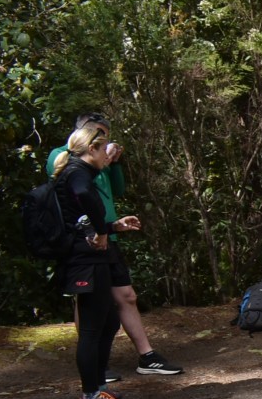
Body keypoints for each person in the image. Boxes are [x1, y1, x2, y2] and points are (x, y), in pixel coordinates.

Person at [46, 114, 183, 377]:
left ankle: (145, 357)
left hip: (108, 236)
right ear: (86, 137)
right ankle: (95, 371)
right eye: (99, 135)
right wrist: (101, 229)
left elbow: (117, 190)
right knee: (89, 307)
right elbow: (77, 190)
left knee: (124, 298)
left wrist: (113, 164)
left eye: (107, 135)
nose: (105, 140)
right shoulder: (67, 160)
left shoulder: (97, 165)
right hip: (84, 243)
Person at [51, 126, 141, 399]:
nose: (107, 155)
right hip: (83, 261)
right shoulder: (77, 172)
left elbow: (79, 219)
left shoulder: (78, 171)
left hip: (90, 258)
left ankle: (98, 388)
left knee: (109, 322)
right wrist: (102, 229)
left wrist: (112, 227)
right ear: (92, 149)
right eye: (104, 150)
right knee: (91, 328)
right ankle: (91, 396)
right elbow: (83, 197)